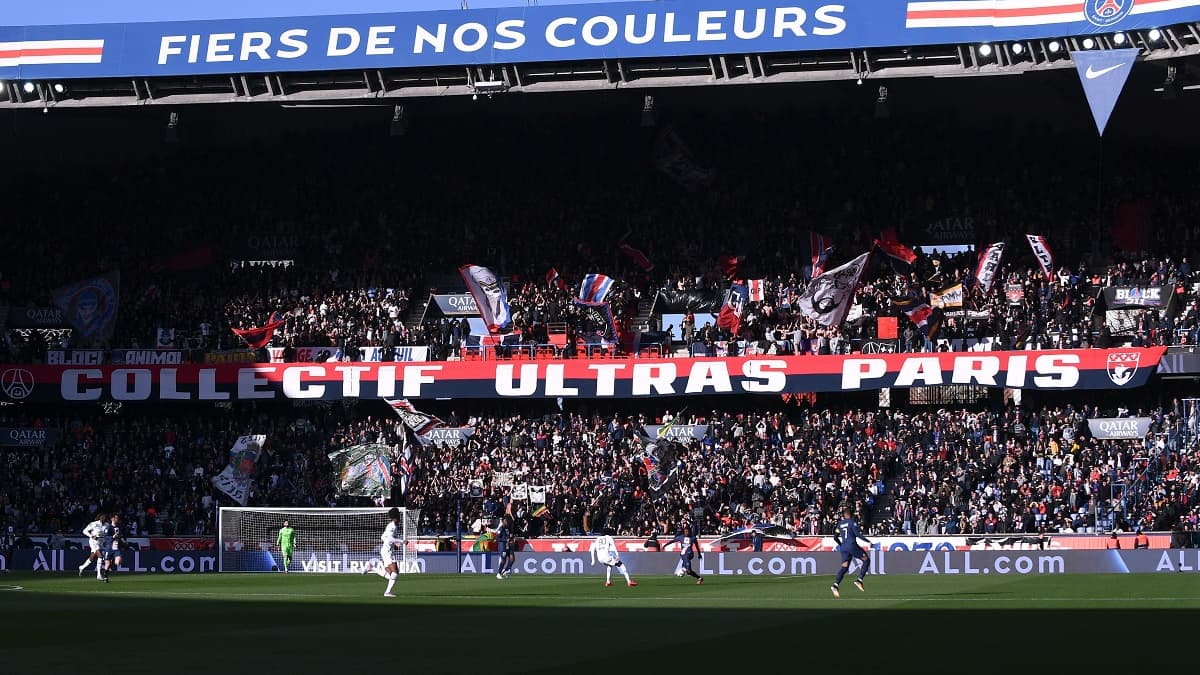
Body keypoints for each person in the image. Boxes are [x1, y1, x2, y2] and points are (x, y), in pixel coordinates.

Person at [831, 507, 870, 598]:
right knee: (866, 560)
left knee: (844, 567)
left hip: (844, 547)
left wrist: (841, 545)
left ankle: (835, 585)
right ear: (850, 514)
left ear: (844, 515)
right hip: (852, 545)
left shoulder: (840, 524)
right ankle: (859, 580)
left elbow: (835, 537)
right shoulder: (852, 522)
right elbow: (857, 534)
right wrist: (867, 541)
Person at [364, 507, 403, 597]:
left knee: (391, 576)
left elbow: (383, 537)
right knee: (395, 573)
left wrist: (393, 545)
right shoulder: (392, 526)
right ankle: (387, 592)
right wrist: (401, 541)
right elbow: (389, 538)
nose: (400, 516)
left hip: (387, 551)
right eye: (399, 515)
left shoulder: (393, 526)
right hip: (387, 552)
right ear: (396, 516)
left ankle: (372, 568)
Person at [79, 512, 106, 579]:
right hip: (93, 541)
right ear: (99, 518)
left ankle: (82, 567)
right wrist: (91, 536)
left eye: (104, 517)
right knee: (100, 556)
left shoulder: (107, 525)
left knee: (92, 557)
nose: (103, 518)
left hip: (100, 542)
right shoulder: (94, 524)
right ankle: (99, 575)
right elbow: (84, 531)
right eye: (102, 517)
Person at [100, 514, 124, 583]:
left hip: (116, 548)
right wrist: (112, 537)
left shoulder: (119, 527)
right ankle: (105, 576)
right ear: (112, 519)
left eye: (118, 518)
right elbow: (105, 538)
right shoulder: (108, 527)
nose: (117, 519)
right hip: (109, 548)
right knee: (107, 564)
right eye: (116, 518)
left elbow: (120, 536)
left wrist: (122, 541)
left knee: (118, 562)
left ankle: (112, 561)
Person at [495, 514, 517, 580]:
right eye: (507, 521)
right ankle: (498, 574)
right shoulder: (501, 529)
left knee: (512, 559)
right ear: (504, 521)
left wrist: (512, 538)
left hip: (508, 546)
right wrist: (505, 540)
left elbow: (508, 536)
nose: (508, 522)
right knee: (503, 560)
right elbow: (497, 538)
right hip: (503, 546)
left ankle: (504, 571)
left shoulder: (507, 528)